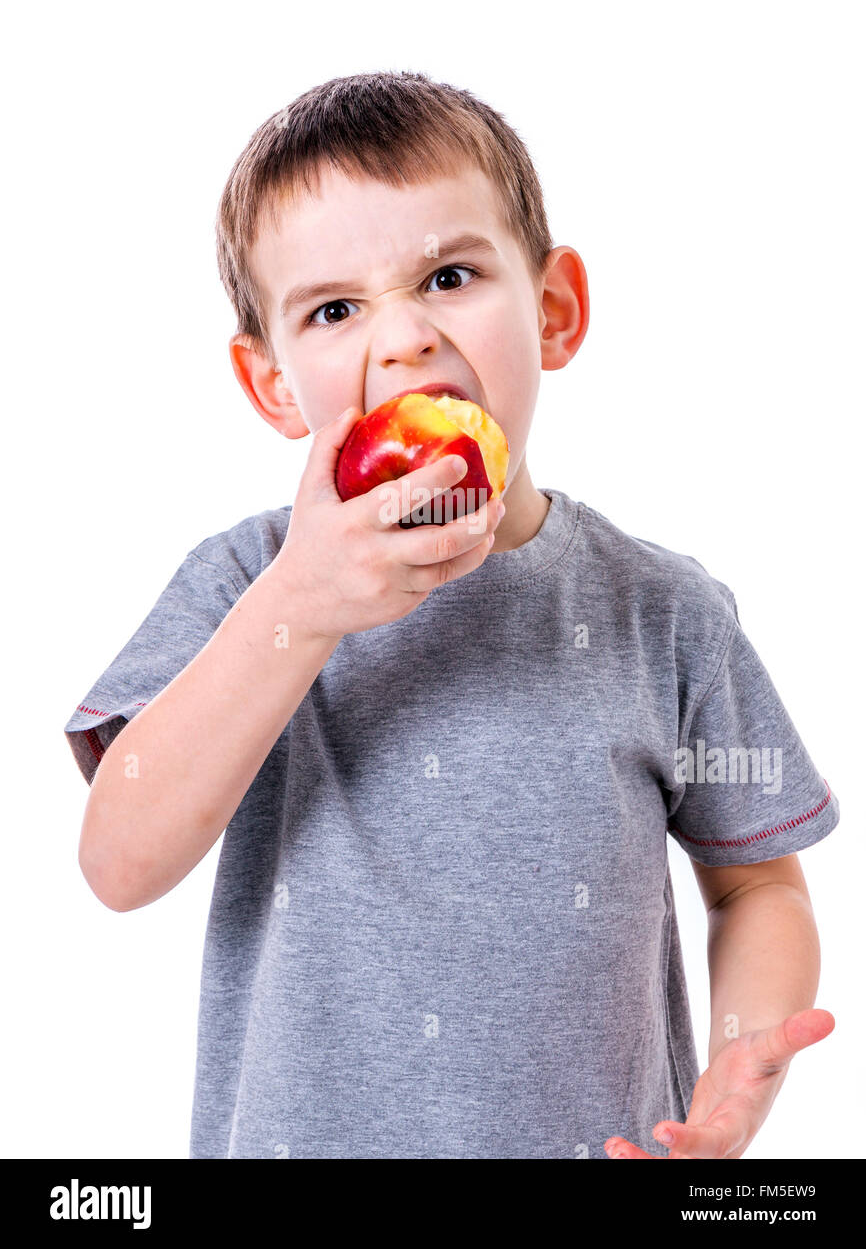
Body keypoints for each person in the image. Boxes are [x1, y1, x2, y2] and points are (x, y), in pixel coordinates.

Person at [64, 70, 840, 1160]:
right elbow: (120, 862)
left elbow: (756, 884)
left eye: (448, 274)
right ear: (274, 385)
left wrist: (731, 1074)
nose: (404, 340)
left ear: (552, 310)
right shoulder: (247, 582)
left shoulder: (659, 611)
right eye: (333, 310)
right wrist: (300, 603)